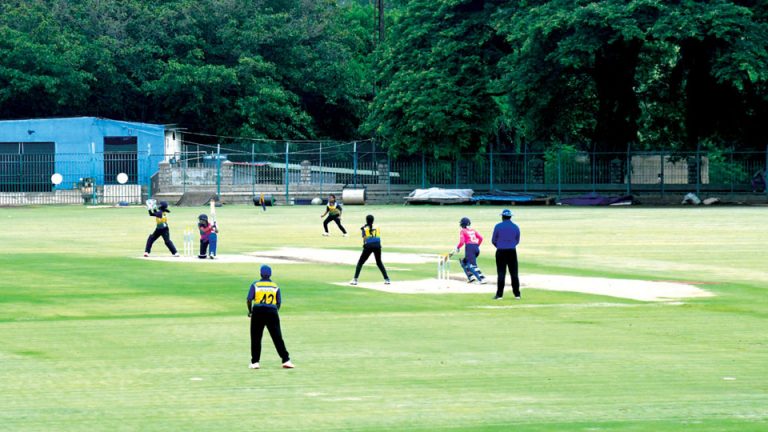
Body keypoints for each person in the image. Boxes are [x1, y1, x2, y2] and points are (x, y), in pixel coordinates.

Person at [246, 265, 294, 369]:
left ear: (260, 274)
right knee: (277, 337)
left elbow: (249, 299)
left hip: (258, 312)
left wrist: (250, 312)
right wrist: (274, 311)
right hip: (272, 312)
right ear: (270, 274)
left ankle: (255, 362)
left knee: (256, 337)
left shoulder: (255, 284)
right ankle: (286, 360)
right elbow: (279, 302)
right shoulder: (275, 286)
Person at [350, 214, 390, 285]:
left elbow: (365, 238)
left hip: (369, 246)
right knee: (379, 262)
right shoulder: (377, 227)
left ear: (366, 220)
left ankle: (355, 279)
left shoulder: (364, 228)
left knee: (360, 262)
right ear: (373, 220)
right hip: (377, 245)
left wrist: (364, 245)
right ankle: (387, 279)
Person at [491, 209, 521, 300]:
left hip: (501, 251)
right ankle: (517, 294)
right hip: (512, 251)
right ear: (510, 217)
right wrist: (511, 245)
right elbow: (517, 240)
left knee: (501, 273)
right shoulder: (515, 227)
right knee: (514, 273)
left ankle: (499, 295)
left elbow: (493, 240)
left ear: (502, 217)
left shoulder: (498, 226)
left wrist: (499, 246)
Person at [452, 217, 486, 284]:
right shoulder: (473, 230)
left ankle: (482, 279)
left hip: (470, 248)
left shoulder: (463, 231)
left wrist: (457, 247)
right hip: (476, 248)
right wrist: (476, 246)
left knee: (472, 265)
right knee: (464, 262)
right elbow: (481, 238)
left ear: (462, 224)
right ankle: (471, 277)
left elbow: (462, 242)